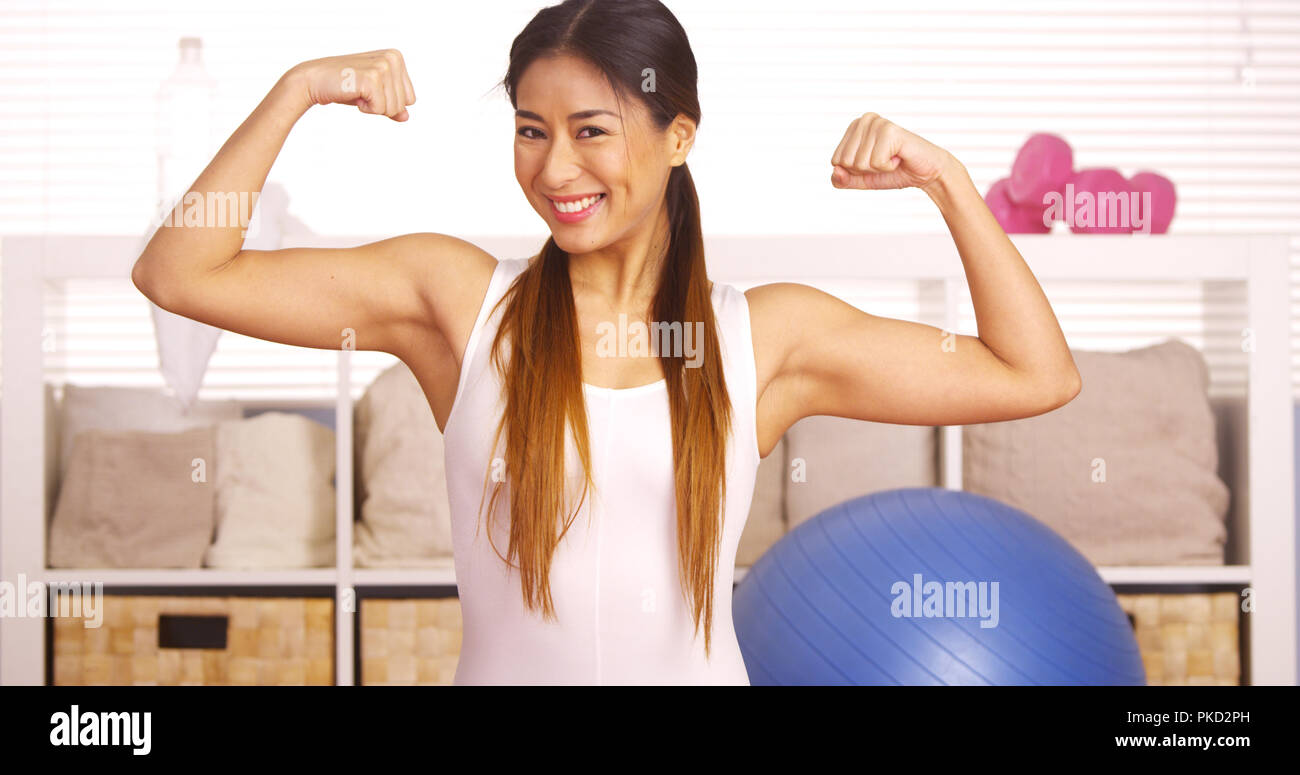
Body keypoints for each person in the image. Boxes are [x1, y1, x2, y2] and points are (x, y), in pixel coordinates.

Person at [132, 0, 1081, 685]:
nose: (556, 169)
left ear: (679, 137)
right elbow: (181, 275)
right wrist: (295, 90)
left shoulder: (764, 337)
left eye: (592, 130)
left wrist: (949, 181)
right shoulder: (457, 302)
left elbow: (1035, 372)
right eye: (531, 131)